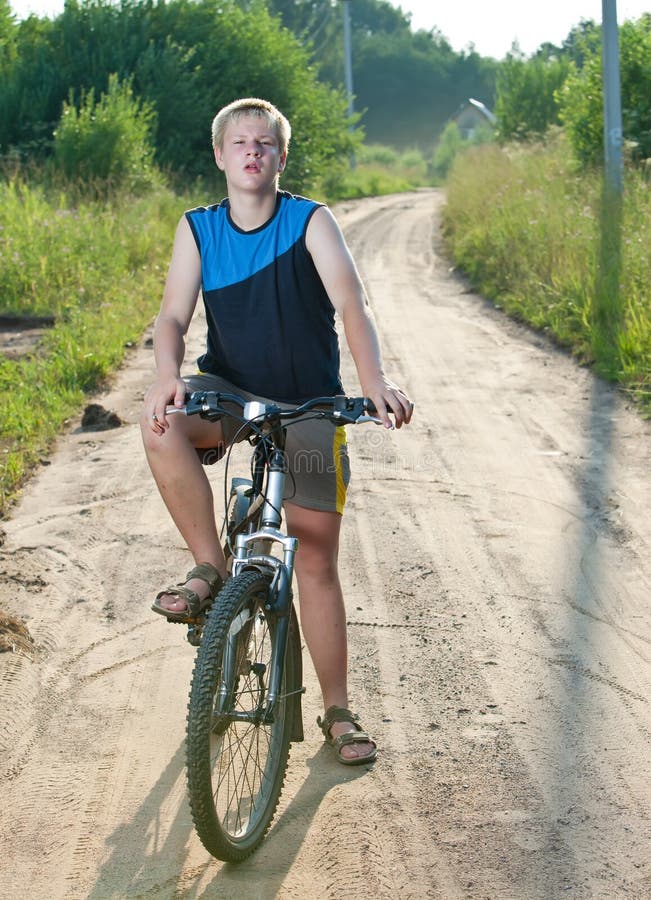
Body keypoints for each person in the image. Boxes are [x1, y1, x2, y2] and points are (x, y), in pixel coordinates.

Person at [141, 97, 413, 765]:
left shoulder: (309, 221)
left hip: (312, 407)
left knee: (315, 555)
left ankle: (337, 712)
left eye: (265, 143)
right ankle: (211, 565)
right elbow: (173, 316)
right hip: (230, 392)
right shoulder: (199, 228)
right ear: (220, 155)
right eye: (240, 143)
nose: (252, 152)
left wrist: (373, 381)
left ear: (280, 157)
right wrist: (165, 375)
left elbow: (351, 302)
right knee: (159, 426)